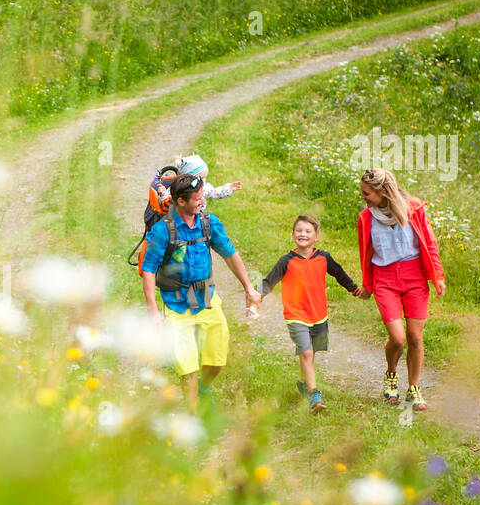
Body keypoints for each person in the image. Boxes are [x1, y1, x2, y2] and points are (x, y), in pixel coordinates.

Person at [141, 172, 262, 413]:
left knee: (216, 361)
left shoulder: (208, 223)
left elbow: (229, 254)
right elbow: (149, 269)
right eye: (196, 199)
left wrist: (248, 287)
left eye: (202, 196)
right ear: (181, 201)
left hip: (205, 295)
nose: (201, 201)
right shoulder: (162, 231)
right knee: (187, 368)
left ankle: (204, 387)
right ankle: (195, 418)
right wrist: (153, 311)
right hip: (175, 303)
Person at [354, 167, 446, 412]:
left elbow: (430, 242)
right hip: (385, 279)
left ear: (383, 191)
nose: (362, 197)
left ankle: (414, 388)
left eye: (366, 193)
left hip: (415, 277)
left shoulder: (413, 208)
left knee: (415, 337)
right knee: (397, 338)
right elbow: (365, 254)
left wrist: (437, 275)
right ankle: (391, 374)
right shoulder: (366, 218)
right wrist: (367, 285)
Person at [257, 215, 361, 412]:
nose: (302, 234)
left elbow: (339, 274)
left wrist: (355, 290)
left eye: (307, 231)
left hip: (318, 315)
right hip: (296, 315)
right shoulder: (286, 261)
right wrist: (256, 296)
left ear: (316, 236)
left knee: (310, 353)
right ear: (293, 234)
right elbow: (269, 282)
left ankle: (304, 384)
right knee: (306, 352)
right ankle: (315, 395)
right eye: (299, 231)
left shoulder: (324, 258)